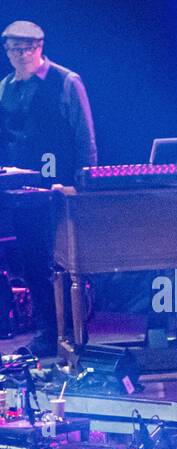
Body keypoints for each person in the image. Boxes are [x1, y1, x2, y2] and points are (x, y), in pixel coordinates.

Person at [0, 20, 97, 357]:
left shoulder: (66, 81)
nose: (22, 54)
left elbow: (85, 139)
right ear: (7, 51)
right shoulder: (5, 87)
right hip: (22, 192)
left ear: (40, 47)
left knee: (65, 263)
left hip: (61, 189)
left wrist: (84, 185)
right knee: (31, 262)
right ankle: (48, 330)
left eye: (28, 48)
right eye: (14, 49)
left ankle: (74, 329)